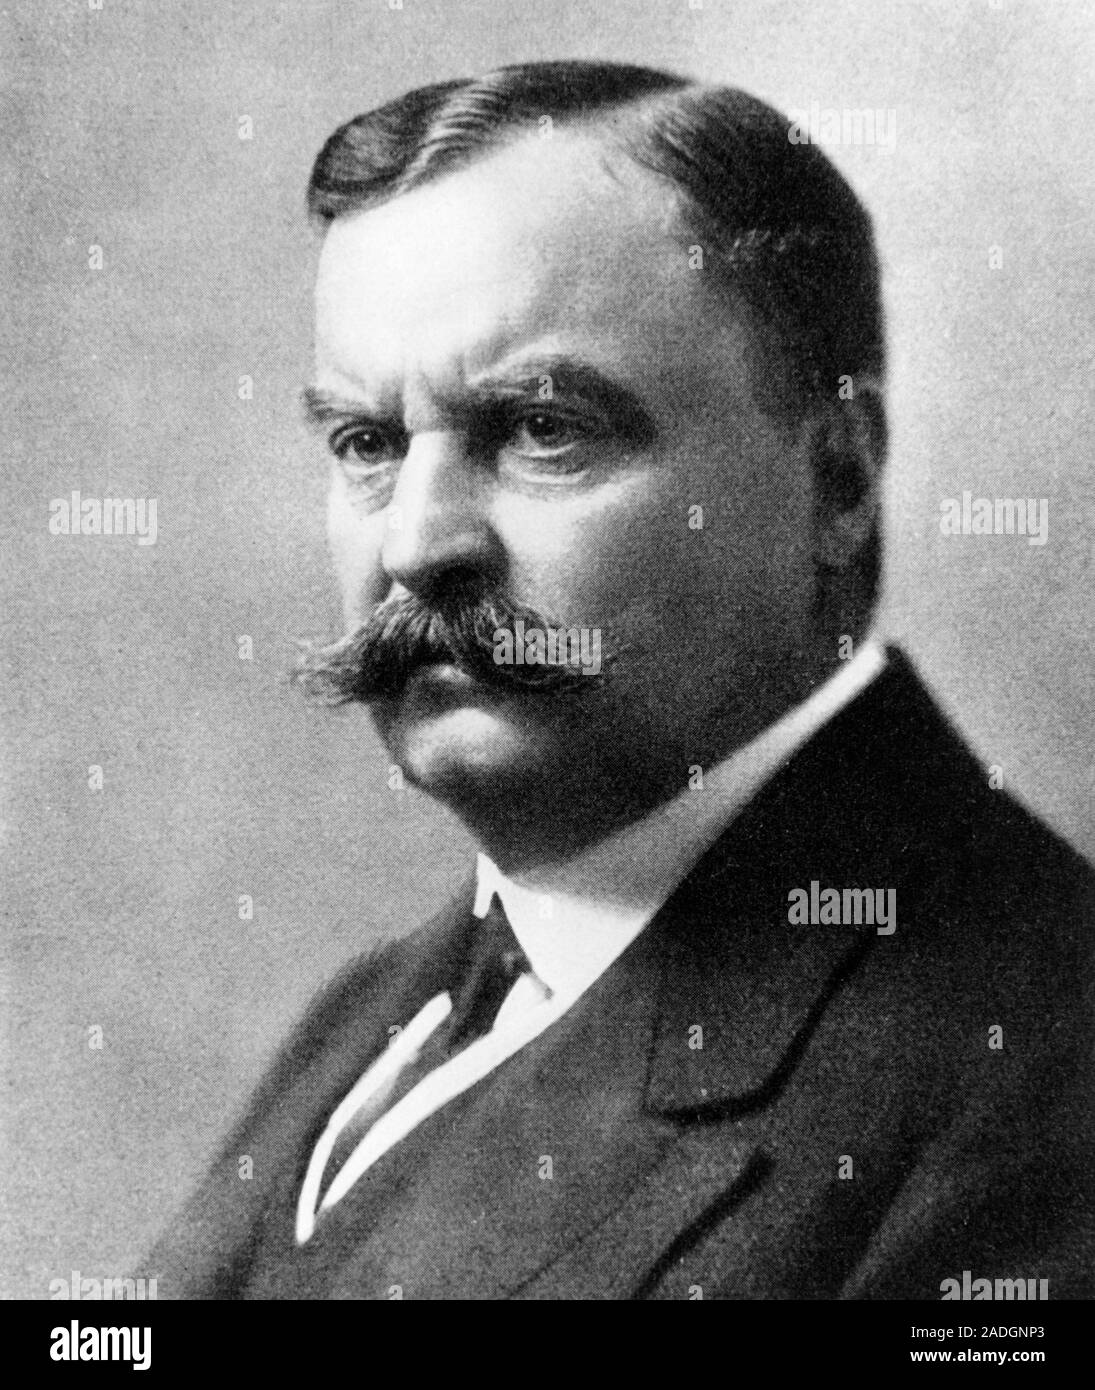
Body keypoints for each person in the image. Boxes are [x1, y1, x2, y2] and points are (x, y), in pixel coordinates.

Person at [144, 60, 1093, 1300]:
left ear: (838, 482)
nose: (417, 543)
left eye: (542, 429)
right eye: (368, 443)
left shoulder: (1039, 1072)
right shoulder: (374, 1013)